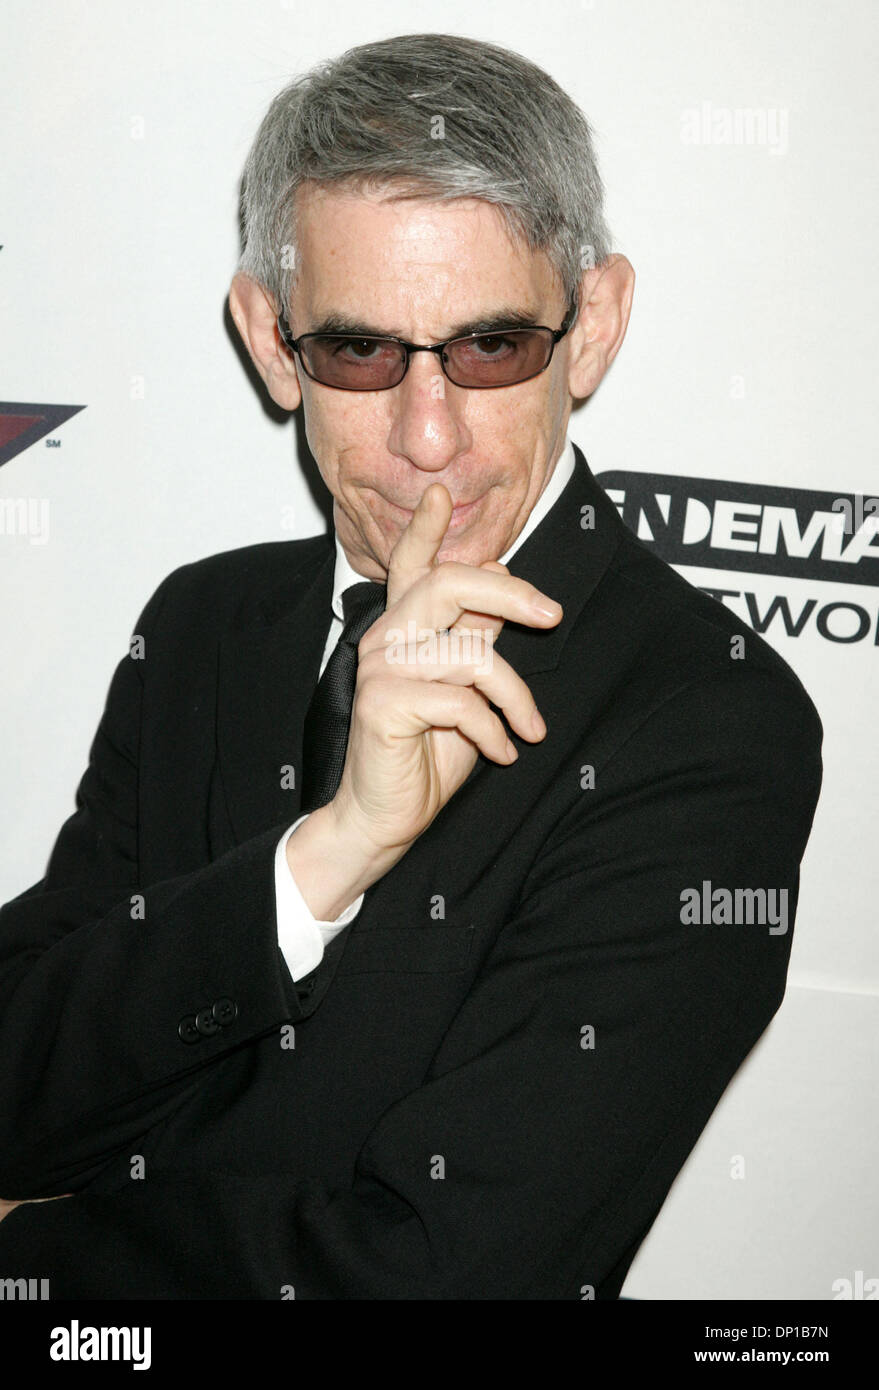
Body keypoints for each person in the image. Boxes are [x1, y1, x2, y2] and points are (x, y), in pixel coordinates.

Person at [0, 32, 822, 1299]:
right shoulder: (208, 625)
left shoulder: (708, 717)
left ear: (592, 328)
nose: (427, 436)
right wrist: (316, 863)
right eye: (360, 352)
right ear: (272, 343)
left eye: (492, 348)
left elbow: (447, 1274)